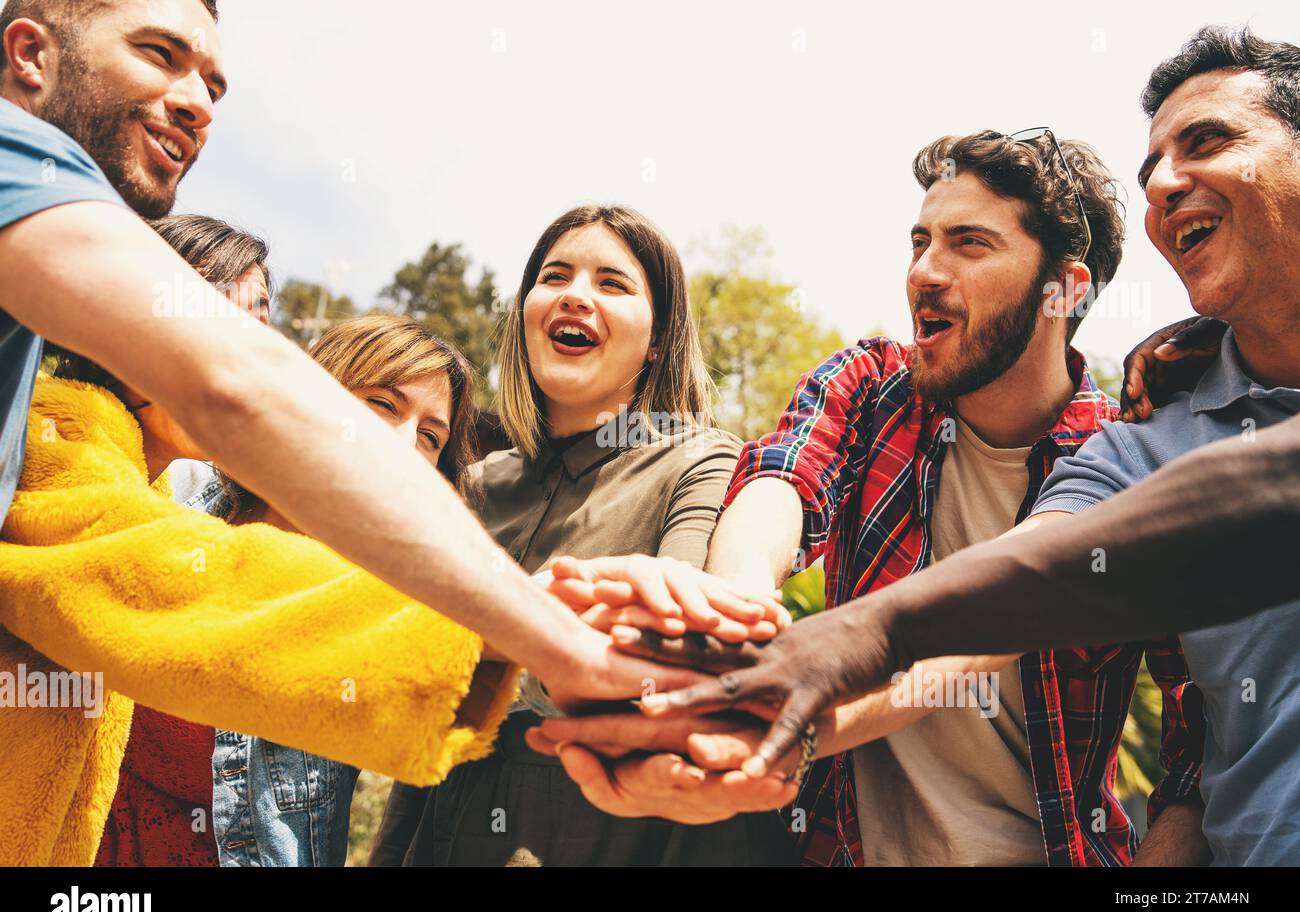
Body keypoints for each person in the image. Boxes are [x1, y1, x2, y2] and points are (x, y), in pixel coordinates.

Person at [592, 24, 1300, 867]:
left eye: (969, 244)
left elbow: (1191, 732)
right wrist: (737, 621)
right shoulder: (883, 391)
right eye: (920, 241)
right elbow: (783, 480)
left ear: (1063, 288)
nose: (925, 271)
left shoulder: (1118, 443)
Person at [0, 0, 677, 730]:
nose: (198, 104)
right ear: (30, 53)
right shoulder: (14, 157)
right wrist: (548, 635)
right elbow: (236, 388)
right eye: (160, 55)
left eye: (215, 86)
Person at [370, 204, 793, 867]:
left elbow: (669, 661)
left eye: (612, 284)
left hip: (613, 833)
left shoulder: (703, 462)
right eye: (556, 275)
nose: (576, 295)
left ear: (657, 339)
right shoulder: (476, 484)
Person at [209, 314, 483, 867]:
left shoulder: (383, 611)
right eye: (382, 404)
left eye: (431, 437)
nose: (405, 443)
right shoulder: (172, 511)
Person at [76, 213, 274, 867]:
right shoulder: (62, 462)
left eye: (258, 327)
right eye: (209, 311)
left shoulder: (157, 498)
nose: (237, 350)